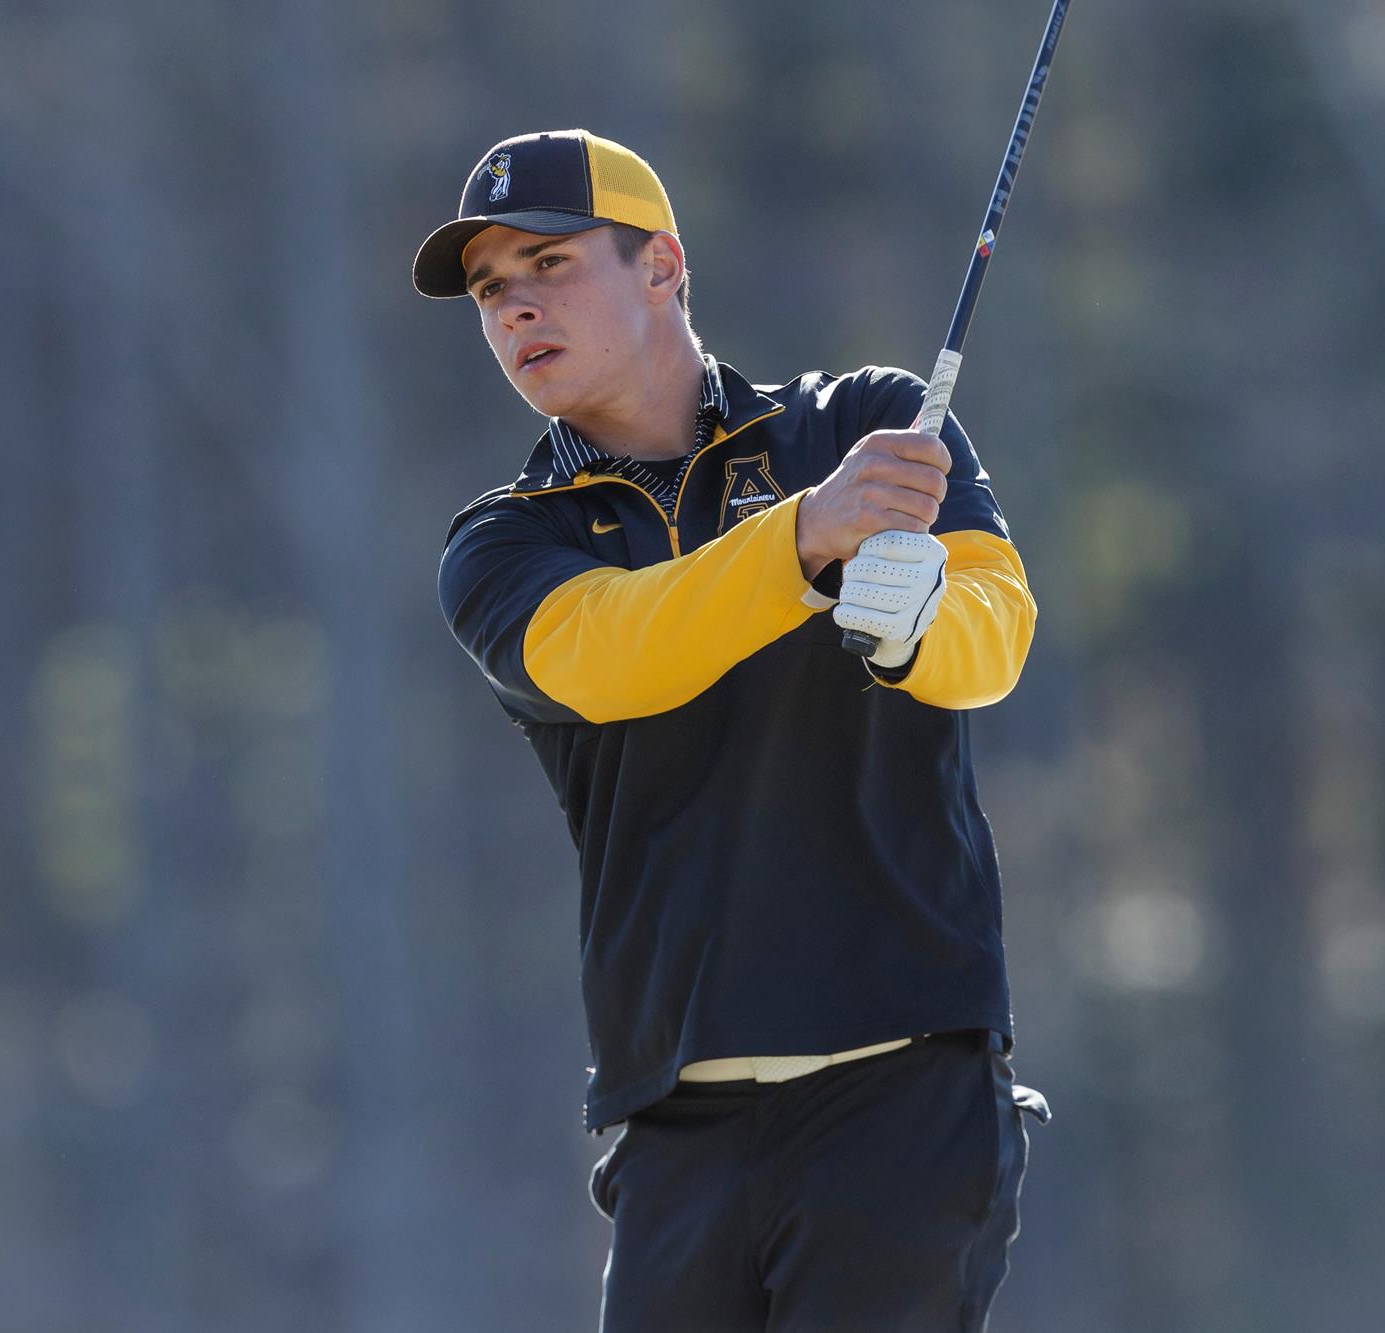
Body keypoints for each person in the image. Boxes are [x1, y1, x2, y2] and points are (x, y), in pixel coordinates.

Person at [417, 129, 1051, 1332]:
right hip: (677, 1130)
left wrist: (915, 625)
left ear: (660, 264)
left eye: (547, 265)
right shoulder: (500, 543)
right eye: (491, 291)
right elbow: (610, 656)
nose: (513, 311)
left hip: (902, 1093)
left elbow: (996, 635)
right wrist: (801, 543)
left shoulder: (861, 424)